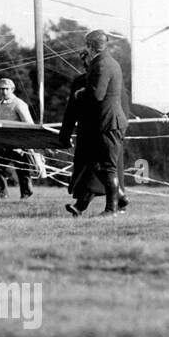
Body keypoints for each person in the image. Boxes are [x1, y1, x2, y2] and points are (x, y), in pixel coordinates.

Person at [82, 30, 128, 216]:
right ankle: (121, 198)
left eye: (87, 45)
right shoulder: (109, 61)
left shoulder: (101, 64)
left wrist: (80, 93)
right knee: (98, 165)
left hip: (109, 121)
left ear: (91, 46)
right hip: (109, 121)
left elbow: (97, 94)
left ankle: (112, 209)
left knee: (108, 167)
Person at [58, 52, 104, 216]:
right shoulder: (79, 81)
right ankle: (120, 200)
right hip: (86, 133)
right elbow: (71, 111)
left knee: (96, 169)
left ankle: (80, 206)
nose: (87, 62)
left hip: (103, 132)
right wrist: (65, 135)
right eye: (85, 60)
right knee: (91, 169)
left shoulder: (108, 80)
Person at [0, 77, 35, 198]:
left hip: (19, 144)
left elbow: (29, 124)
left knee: (22, 170)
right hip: (4, 143)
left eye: (6, 89)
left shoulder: (19, 104)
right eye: (1, 89)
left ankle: (26, 193)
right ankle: (2, 192)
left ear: (12, 89)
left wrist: (24, 145)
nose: (4, 92)